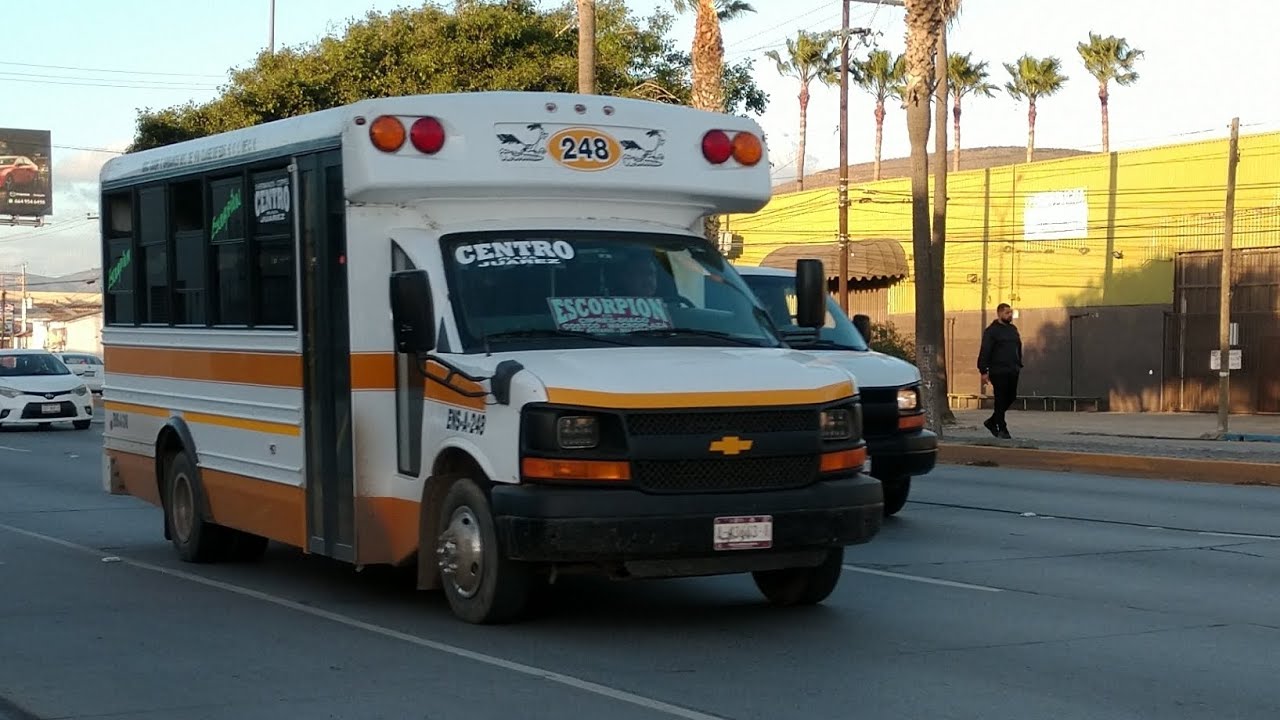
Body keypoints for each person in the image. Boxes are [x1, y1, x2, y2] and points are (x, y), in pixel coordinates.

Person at [977, 302, 1023, 438]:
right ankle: (1002, 428)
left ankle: (992, 421)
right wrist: (983, 370)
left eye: (1011, 312)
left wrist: (1018, 363)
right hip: (998, 370)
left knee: (1011, 396)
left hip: (1013, 369)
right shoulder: (991, 331)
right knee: (1000, 398)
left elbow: (1018, 347)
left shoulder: (1013, 329)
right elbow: (985, 350)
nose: (1010, 315)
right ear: (999, 313)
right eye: (1007, 313)